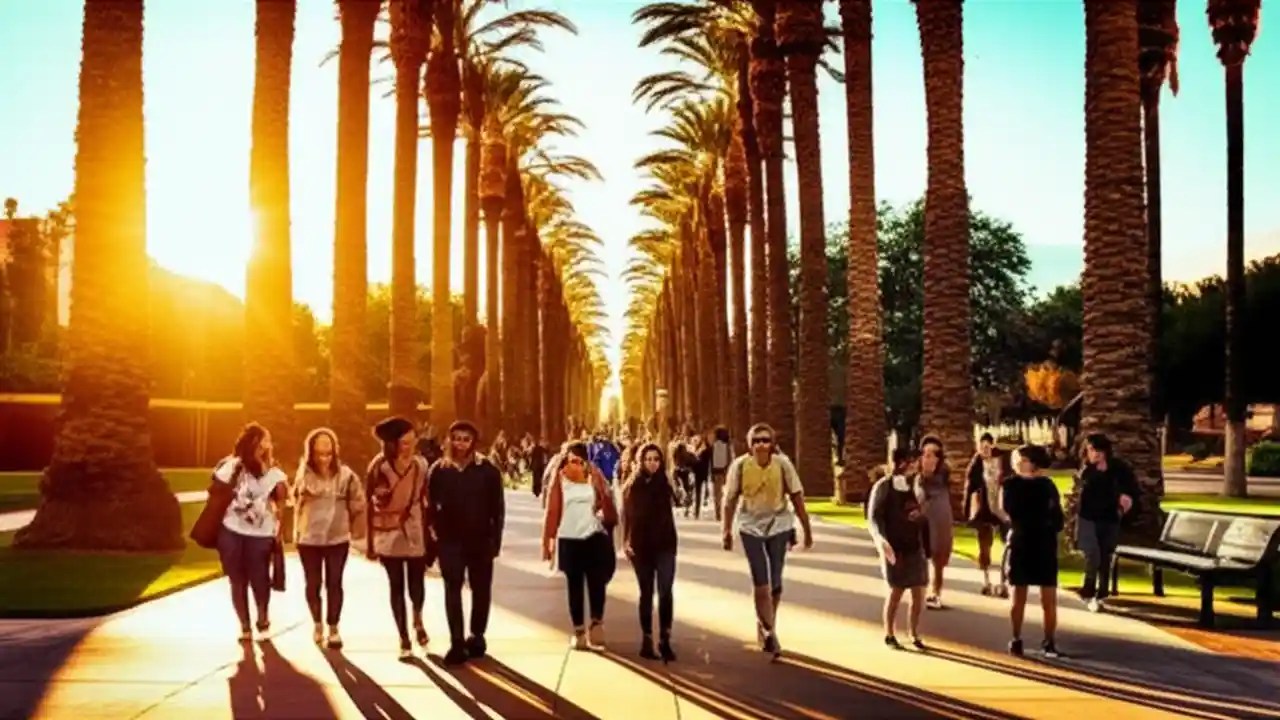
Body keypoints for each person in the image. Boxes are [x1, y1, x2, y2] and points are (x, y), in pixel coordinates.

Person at [721, 423, 813, 657]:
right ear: (749, 445)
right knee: (761, 580)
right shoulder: (740, 466)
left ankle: (766, 623)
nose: (761, 444)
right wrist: (726, 531)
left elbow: (797, 496)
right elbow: (729, 500)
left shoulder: (783, 465)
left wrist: (807, 530)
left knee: (775, 581)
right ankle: (770, 631)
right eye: (756, 441)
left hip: (779, 525)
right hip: (750, 526)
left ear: (772, 444)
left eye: (765, 440)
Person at [426, 420, 506, 665]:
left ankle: (477, 635)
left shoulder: (488, 471)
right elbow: (429, 505)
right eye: (456, 438)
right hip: (450, 542)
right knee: (452, 588)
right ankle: (457, 642)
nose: (460, 443)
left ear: (473, 442)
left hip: (481, 540)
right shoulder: (439, 470)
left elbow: (498, 509)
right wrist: (435, 536)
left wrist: (495, 542)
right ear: (450, 440)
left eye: (466, 439)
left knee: (481, 590)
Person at [214, 422, 289, 642]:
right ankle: (244, 626)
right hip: (231, 531)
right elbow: (216, 487)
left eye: (267, 441)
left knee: (260, 578)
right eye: (263, 440)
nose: (266, 445)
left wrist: (278, 528)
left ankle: (262, 616)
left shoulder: (274, 474)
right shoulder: (232, 466)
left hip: (261, 534)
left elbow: (281, 501)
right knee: (237, 580)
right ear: (252, 442)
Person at [541, 441, 618, 651]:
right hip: (569, 539)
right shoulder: (559, 479)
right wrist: (547, 541)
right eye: (571, 458)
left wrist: (599, 484)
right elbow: (552, 511)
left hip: (593, 536)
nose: (575, 463)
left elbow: (607, 500)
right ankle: (579, 632)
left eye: (579, 459)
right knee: (574, 586)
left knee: (597, 583)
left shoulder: (594, 475)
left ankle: (596, 625)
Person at [292, 427, 365, 649]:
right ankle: (317, 623)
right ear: (311, 452)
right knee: (313, 583)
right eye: (319, 454)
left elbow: (358, 502)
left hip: (337, 536)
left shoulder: (346, 475)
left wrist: (357, 525)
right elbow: (295, 499)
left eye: (328, 453)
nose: (324, 458)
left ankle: (333, 627)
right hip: (309, 538)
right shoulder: (304, 474)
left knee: (335, 582)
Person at [366, 416, 431, 660]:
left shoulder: (420, 465)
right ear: (392, 444)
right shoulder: (378, 467)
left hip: (413, 529)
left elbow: (426, 497)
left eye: (413, 442)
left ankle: (418, 619)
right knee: (396, 585)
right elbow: (369, 502)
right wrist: (370, 543)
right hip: (387, 531)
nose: (410, 447)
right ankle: (403, 637)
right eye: (404, 443)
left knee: (417, 583)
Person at [1003, 444, 1064, 658]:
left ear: (1033, 462)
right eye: (1017, 459)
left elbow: (1058, 518)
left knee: (1048, 597)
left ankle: (1049, 640)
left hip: (1044, 544)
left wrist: (1048, 524)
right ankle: (1016, 638)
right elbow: (1012, 510)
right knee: (1017, 595)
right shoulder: (1010, 485)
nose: (1019, 462)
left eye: (1023, 459)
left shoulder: (1047, 486)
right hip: (1021, 543)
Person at [621, 442, 679, 662]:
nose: (652, 463)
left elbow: (679, 501)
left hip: (665, 544)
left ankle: (665, 638)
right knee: (647, 592)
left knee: (665, 590)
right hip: (641, 546)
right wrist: (625, 542)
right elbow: (626, 516)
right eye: (648, 459)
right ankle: (647, 639)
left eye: (656, 459)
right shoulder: (633, 486)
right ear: (641, 461)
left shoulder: (665, 482)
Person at [867, 448, 929, 650]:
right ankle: (889, 633)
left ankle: (914, 633)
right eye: (912, 462)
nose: (915, 465)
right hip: (894, 547)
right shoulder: (883, 486)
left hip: (914, 545)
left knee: (919, 591)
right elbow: (874, 518)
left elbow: (921, 512)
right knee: (896, 590)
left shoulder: (915, 485)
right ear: (902, 463)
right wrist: (881, 540)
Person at [1074, 433, 1138, 613]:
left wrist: (1122, 506)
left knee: (1105, 554)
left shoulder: (1119, 468)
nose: (1095, 454)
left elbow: (1129, 489)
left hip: (1109, 517)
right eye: (1091, 450)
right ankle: (1088, 587)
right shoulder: (1087, 469)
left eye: (1098, 451)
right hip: (1088, 517)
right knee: (1092, 553)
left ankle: (1102, 591)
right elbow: (1085, 489)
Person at [964, 433, 1012, 597]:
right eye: (981, 446)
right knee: (985, 548)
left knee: (1007, 546)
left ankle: (1003, 583)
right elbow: (969, 488)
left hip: (1002, 510)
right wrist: (968, 513)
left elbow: (1011, 481)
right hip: (983, 510)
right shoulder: (976, 464)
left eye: (987, 446)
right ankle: (986, 581)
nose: (984, 449)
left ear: (992, 445)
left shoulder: (1003, 461)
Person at [916, 435, 954, 609]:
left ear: (939, 458)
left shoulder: (944, 479)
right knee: (918, 558)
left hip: (940, 522)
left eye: (932, 454)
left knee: (938, 560)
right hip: (921, 523)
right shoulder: (915, 479)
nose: (927, 457)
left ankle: (935, 593)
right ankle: (919, 593)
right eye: (924, 453)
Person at [709, 427, 733, 522]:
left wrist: (711, 473)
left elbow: (712, 461)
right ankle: (724, 512)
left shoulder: (713, 446)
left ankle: (718, 513)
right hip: (725, 471)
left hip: (716, 471)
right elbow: (729, 458)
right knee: (725, 493)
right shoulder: (727, 446)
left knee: (717, 494)